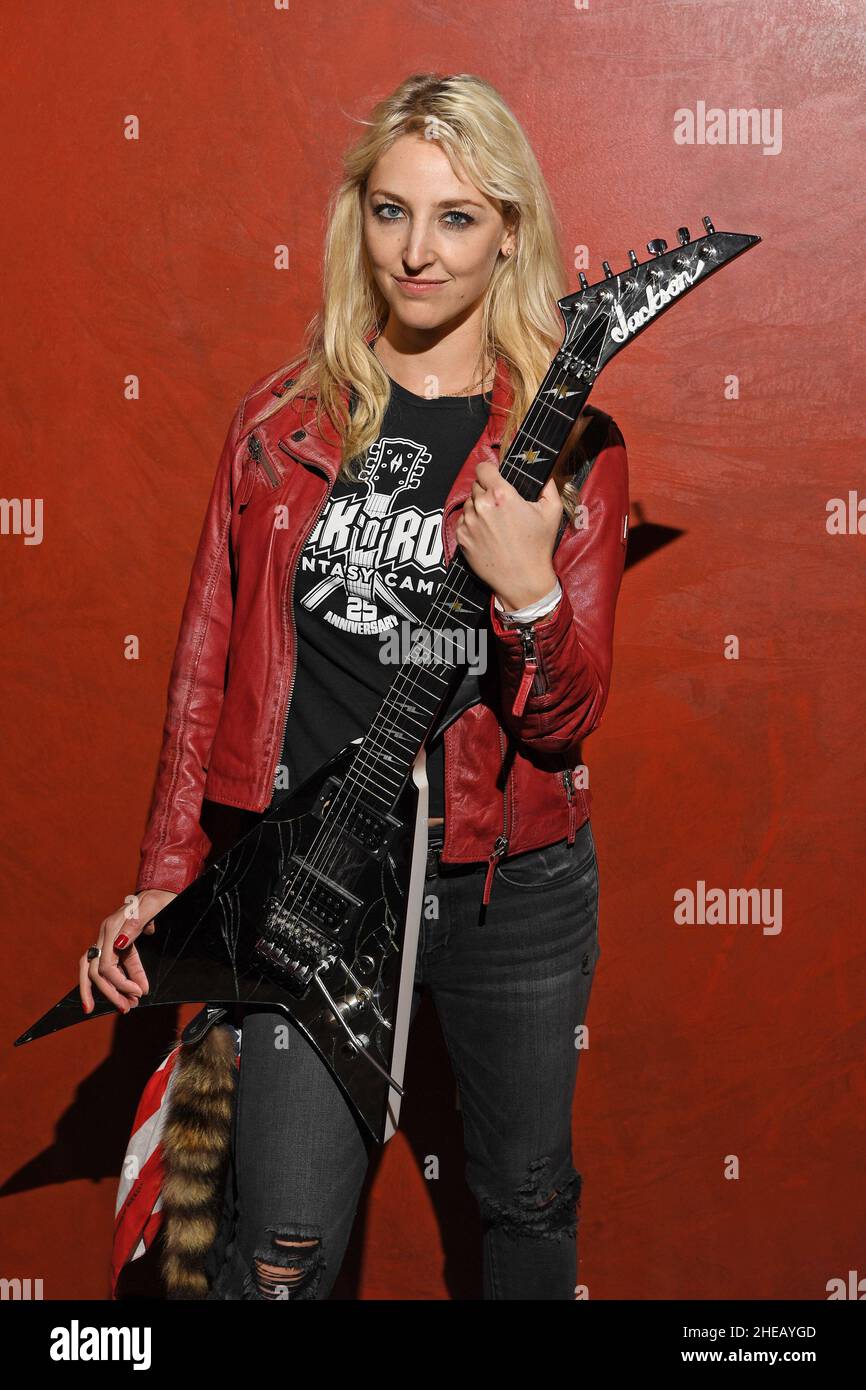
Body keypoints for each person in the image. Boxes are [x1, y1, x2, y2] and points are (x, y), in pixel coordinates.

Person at [81, 72, 629, 1301]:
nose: (417, 252)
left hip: (507, 884)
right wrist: (168, 879)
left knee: (526, 1199)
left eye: (454, 217)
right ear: (356, 220)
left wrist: (528, 587)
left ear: (507, 232)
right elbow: (203, 668)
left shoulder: (568, 442)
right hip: (309, 881)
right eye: (391, 212)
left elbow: (561, 720)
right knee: (279, 1244)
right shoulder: (281, 423)